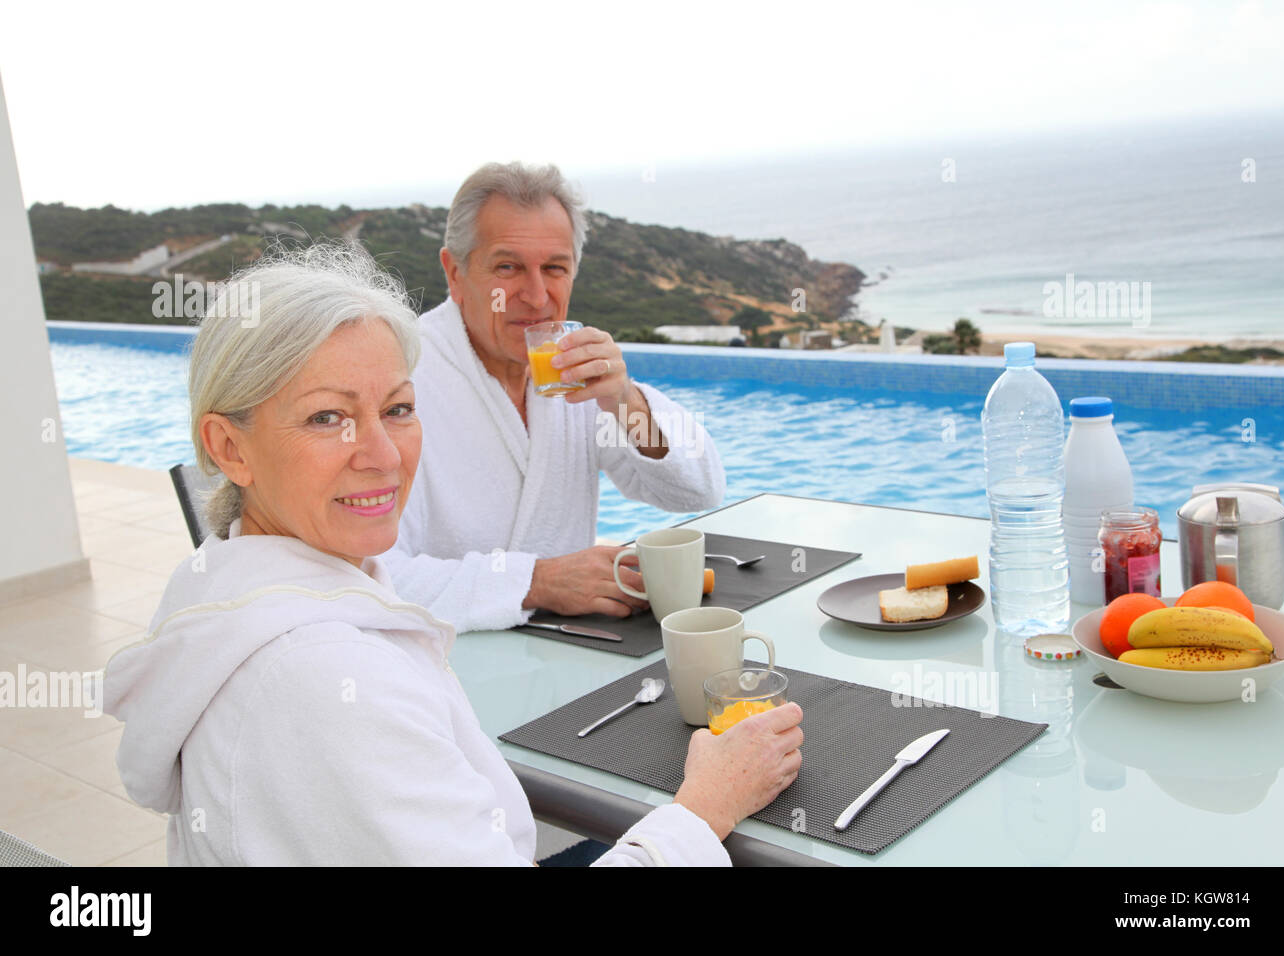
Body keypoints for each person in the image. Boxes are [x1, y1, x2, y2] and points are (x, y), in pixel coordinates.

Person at [101, 243, 802, 865]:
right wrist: (704, 808)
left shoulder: (222, 586)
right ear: (228, 448)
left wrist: (622, 397)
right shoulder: (326, 681)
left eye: (398, 409)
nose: (381, 456)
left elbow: (696, 479)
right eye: (327, 417)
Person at [381, 162, 725, 633]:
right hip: (442, 667)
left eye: (555, 269)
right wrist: (536, 583)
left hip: (570, 650)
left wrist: (627, 403)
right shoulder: (398, 383)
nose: (537, 295)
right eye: (508, 267)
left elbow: (696, 491)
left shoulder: (572, 376)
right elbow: (371, 575)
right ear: (455, 274)